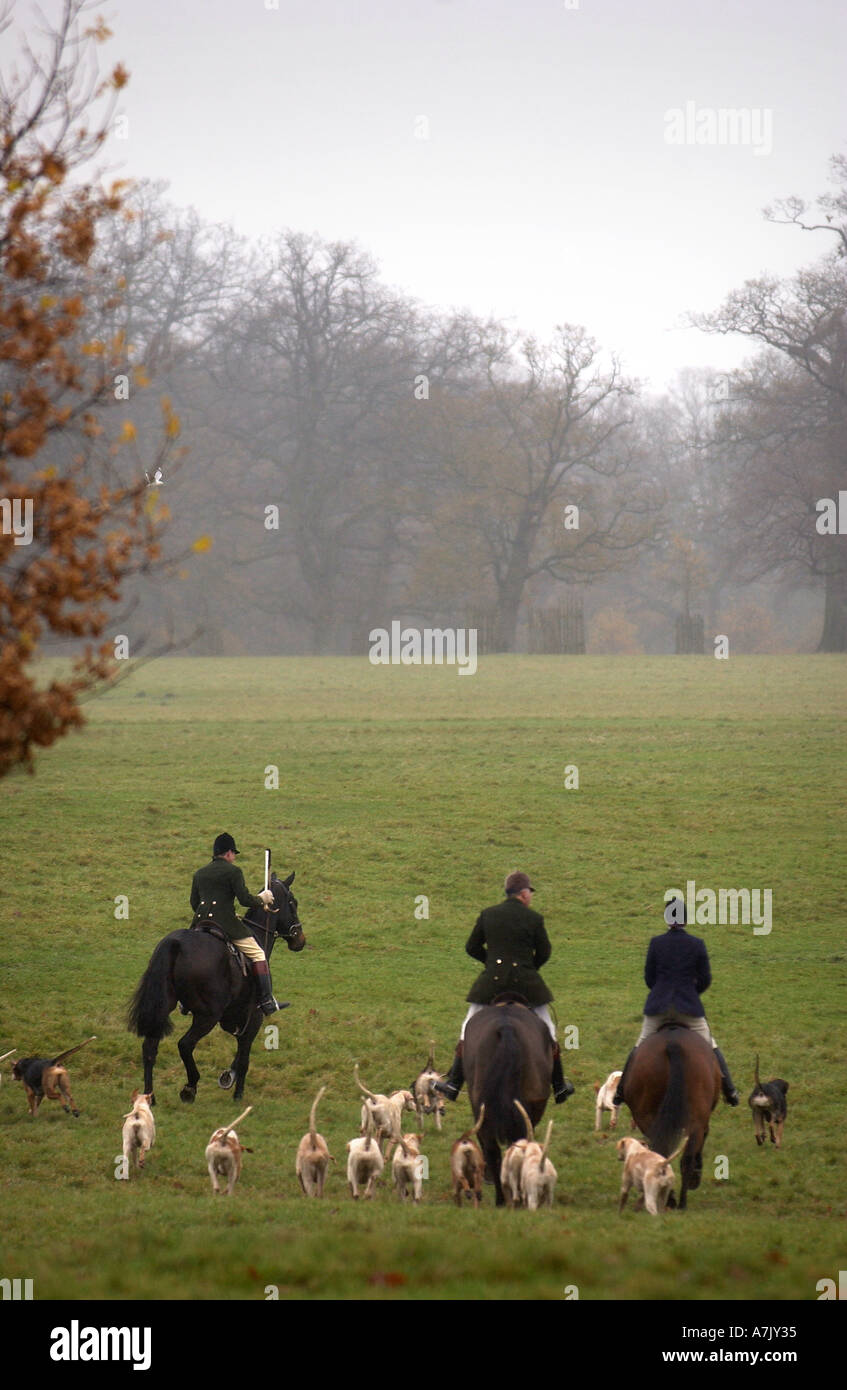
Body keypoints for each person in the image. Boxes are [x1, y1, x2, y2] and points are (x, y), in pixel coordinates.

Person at [434, 871, 575, 1105]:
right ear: (523, 893)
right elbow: (545, 952)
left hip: (492, 983)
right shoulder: (534, 918)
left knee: (468, 1027)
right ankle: (559, 1086)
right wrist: (529, 968)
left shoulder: (488, 914)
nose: (530, 896)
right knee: (548, 1029)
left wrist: (491, 962)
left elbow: (471, 947)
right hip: (527, 985)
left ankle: (453, 1083)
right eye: (530, 891)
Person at [612, 898, 739, 1106]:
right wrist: (691, 993)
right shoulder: (697, 944)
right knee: (710, 1045)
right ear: (685, 920)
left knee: (640, 1045)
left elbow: (649, 978)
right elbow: (705, 979)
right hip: (687, 1009)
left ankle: (619, 1092)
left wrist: (661, 992)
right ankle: (730, 1091)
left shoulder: (656, 943)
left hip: (659, 1008)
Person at [190, 833, 286, 1016]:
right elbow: (244, 899)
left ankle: (185, 1003)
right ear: (228, 853)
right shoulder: (233, 872)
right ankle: (266, 1000)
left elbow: (195, 903)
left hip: (200, 922)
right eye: (233, 854)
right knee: (258, 953)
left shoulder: (200, 873)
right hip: (225, 924)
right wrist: (262, 898)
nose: (234, 858)